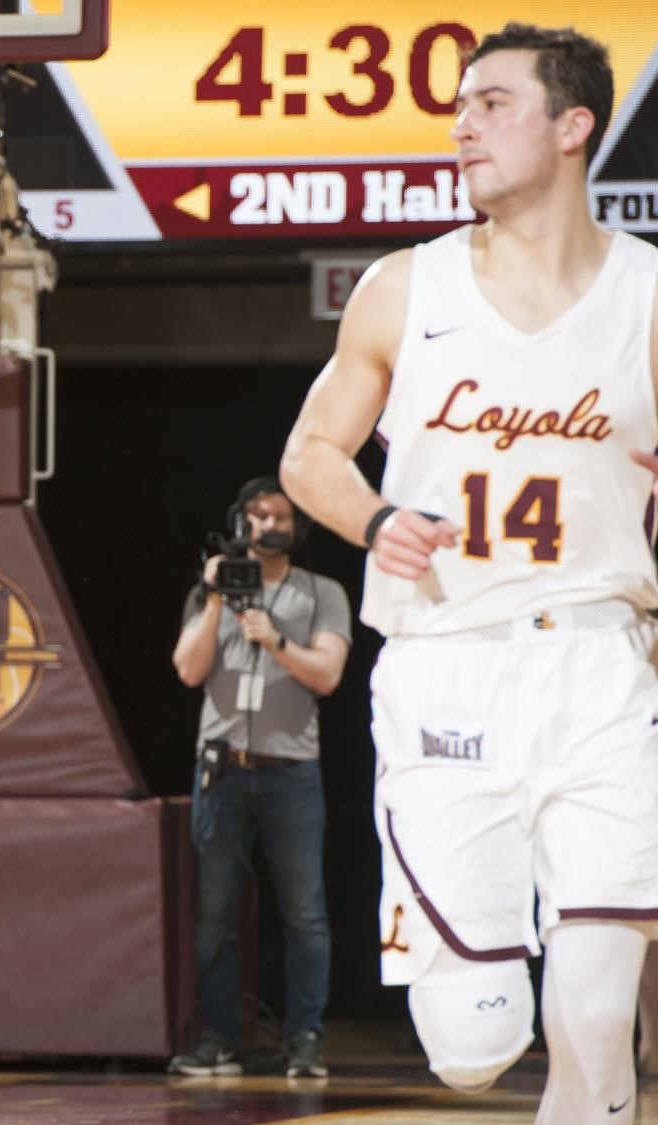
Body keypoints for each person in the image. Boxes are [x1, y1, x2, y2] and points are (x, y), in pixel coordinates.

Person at [279, 23, 658, 1119]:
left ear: (571, 126)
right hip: (446, 667)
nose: (461, 124)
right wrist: (374, 515)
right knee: (471, 1046)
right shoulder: (405, 288)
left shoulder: (644, 293)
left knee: (592, 1019)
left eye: (492, 103)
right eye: (458, 105)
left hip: (599, 664)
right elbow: (308, 455)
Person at [166, 478, 348, 1079]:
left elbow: (326, 675)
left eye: (280, 516)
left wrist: (275, 640)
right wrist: (218, 597)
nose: (268, 524)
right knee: (215, 910)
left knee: (304, 912)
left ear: (298, 527)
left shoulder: (322, 593)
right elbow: (188, 671)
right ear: (240, 521)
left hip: (290, 771)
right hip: (222, 767)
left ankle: (305, 1039)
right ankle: (217, 1037)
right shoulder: (209, 590)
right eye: (257, 514)